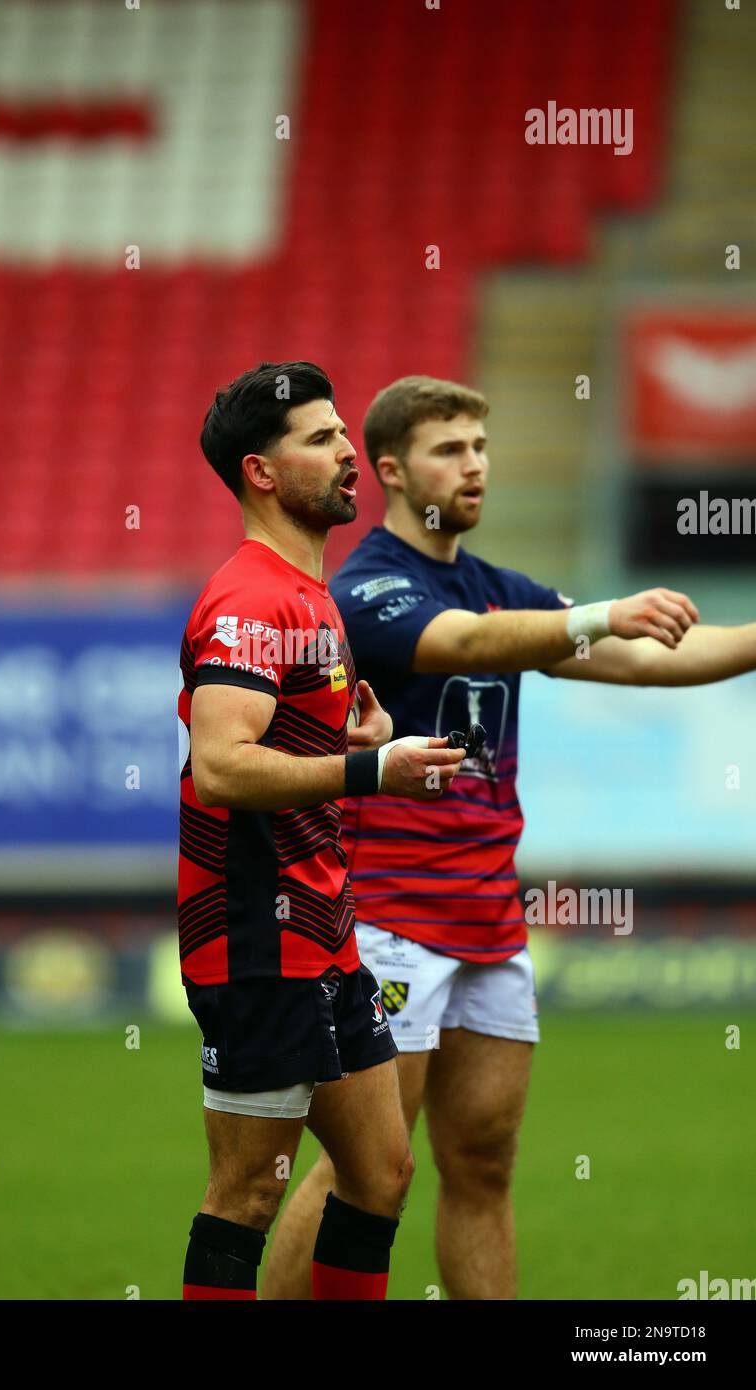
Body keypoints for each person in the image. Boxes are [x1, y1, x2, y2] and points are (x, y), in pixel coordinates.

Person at [263, 374, 756, 1300]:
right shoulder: (366, 582)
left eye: (482, 448)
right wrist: (596, 615)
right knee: (363, 1169)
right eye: (451, 449)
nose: (475, 466)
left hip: (489, 923)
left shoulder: (503, 588)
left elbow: (654, 660)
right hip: (384, 921)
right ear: (392, 471)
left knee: (484, 1167)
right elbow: (463, 645)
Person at [178, 362, 466, 1299]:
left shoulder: (311, 595)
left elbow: (286, 750)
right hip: (258, 939)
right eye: (320, 439)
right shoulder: (248, 600)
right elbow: (223, 764)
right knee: (247, 1195)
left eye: (345, 433)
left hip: (326, 933)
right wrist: (369, 768)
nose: (349, 454)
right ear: (262, 473)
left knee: (382, 1174)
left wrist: (358, 744)